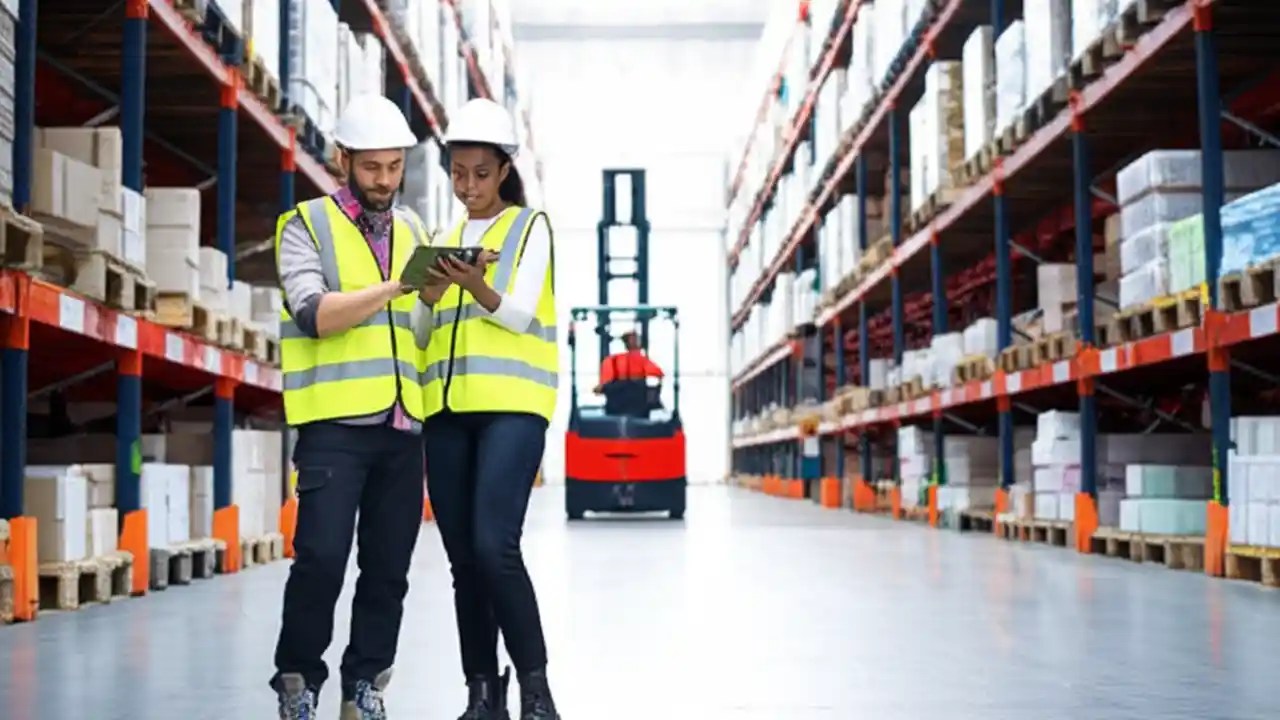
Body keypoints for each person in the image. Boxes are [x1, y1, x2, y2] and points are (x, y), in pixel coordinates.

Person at [270, 93, 445, 720]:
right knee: (319, 559)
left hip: (404, 426)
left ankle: (364, 686)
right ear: (343, 159)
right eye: (372, 167)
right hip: (334, 428)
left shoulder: (419, 231)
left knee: (388, 570)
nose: (385, 181)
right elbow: (314, 313)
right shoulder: (305, 226)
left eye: (394, 167)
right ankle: (299, 681)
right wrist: (399, 285)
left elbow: (423, 329)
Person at [417, 97, 562, 720]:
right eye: (458, 173)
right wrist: (427, 292)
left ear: (504, 169)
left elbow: (520, 313)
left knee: (494, 545)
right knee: (462, 560)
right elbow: (422, 333)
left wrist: (473, 283)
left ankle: (536, 691)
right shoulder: (443, 238)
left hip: (512, 407)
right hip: (447, 411)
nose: (468, 186)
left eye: (480, 173)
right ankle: (482, 692)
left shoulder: (530, 227)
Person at [592, 329, 664, 394]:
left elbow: (603, 385)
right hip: (636, 401)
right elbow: (659, 374)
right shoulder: (641, 360)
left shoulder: (610, 361)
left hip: (617, 402)